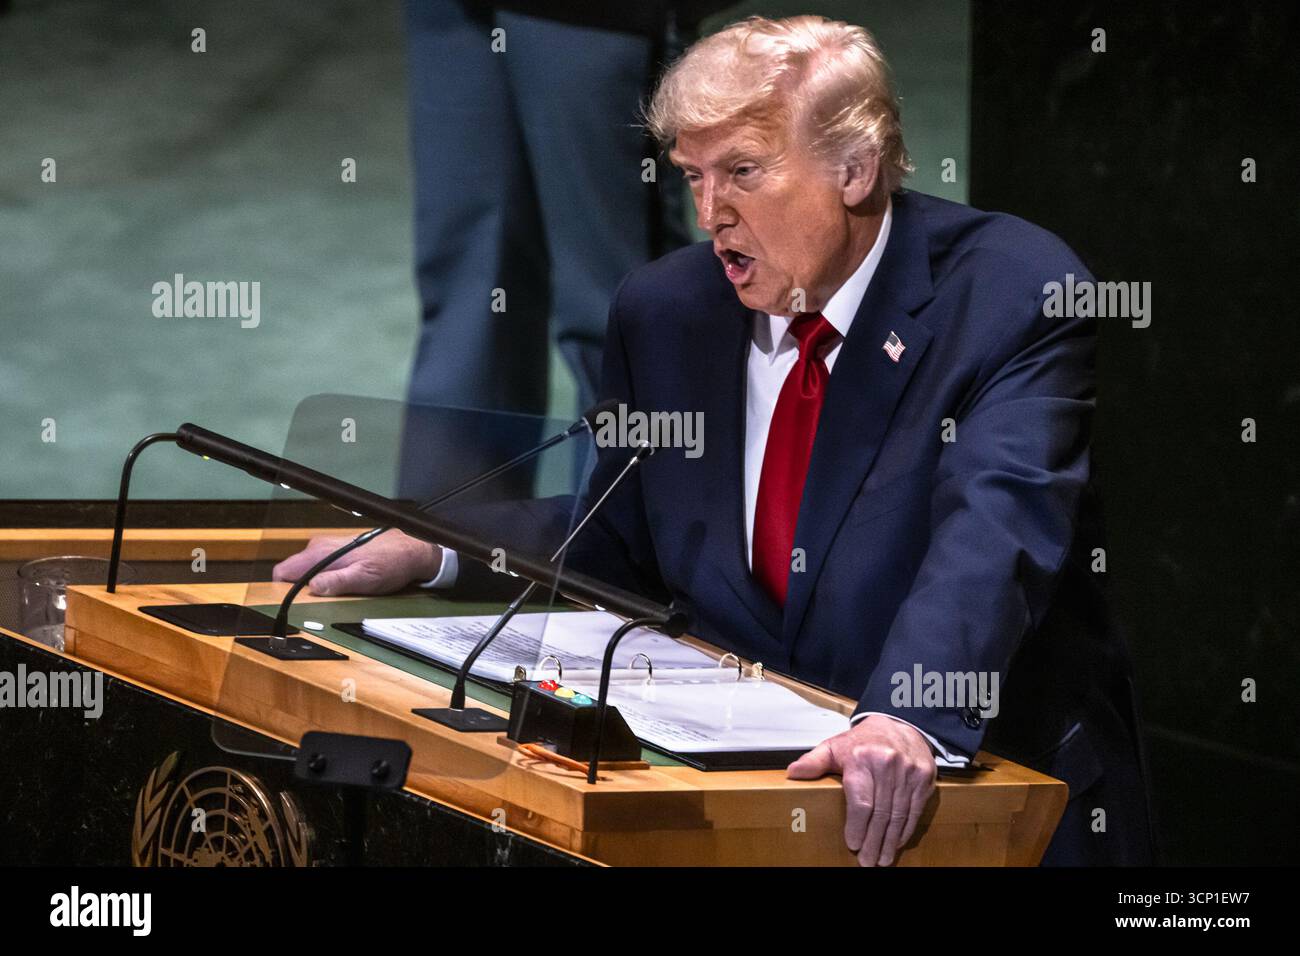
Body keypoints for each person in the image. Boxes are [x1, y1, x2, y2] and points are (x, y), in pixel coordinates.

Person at [278, 15, 1152, 867]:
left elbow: (991, 537)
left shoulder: (1010, 296)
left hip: (980, 817)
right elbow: (618, 543)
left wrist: (904, 718)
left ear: (855, 168)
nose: (710, 216)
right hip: (747, 811)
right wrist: (432, 548)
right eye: (692, 177)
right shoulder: (669, 311)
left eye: (741, 171)